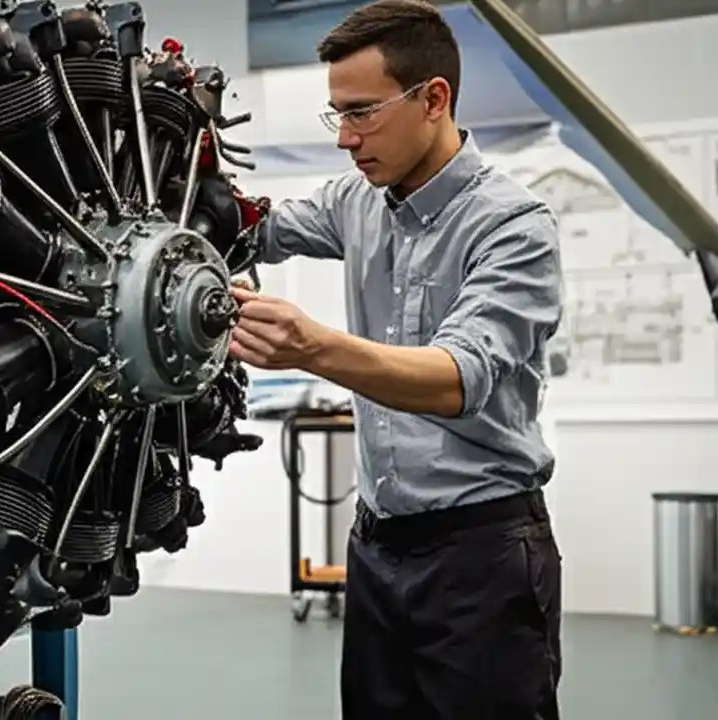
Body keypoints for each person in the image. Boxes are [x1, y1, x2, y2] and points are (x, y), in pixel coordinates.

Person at [226, 1, 564, 718]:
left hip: (482, 556)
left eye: (362, 113)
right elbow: (258, 228)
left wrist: (311, 347)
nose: (345, 139)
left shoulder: (513, 227)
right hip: (377, 550)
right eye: (336, 116)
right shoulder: (358, 200)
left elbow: (456, 379)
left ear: (433, 98)